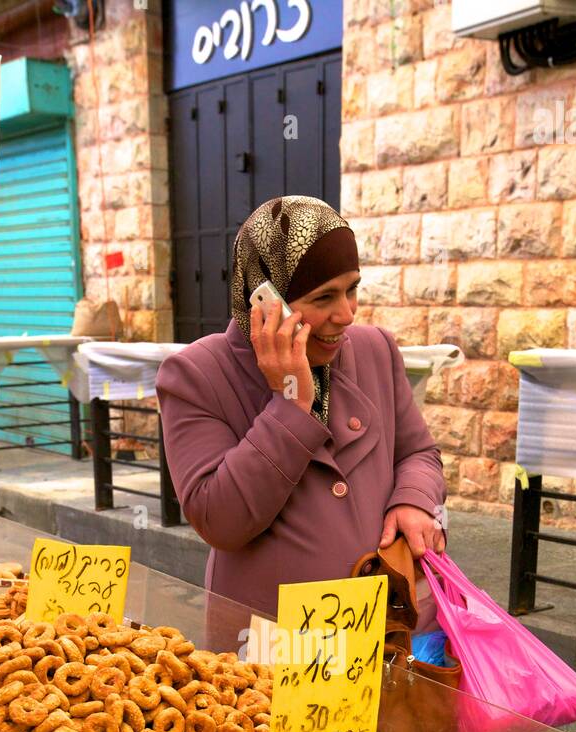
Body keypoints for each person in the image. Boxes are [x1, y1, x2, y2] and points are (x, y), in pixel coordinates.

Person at [156, 195, 446, 618]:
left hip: (388, 627)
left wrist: (414, 499)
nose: (345, 314)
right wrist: (291, 403)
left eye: (352, 289)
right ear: (265, 301)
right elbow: (219, 519)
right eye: (324, 297)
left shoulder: (376, 350)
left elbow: (418, 452)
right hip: (268, 643)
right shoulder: (197, 374)